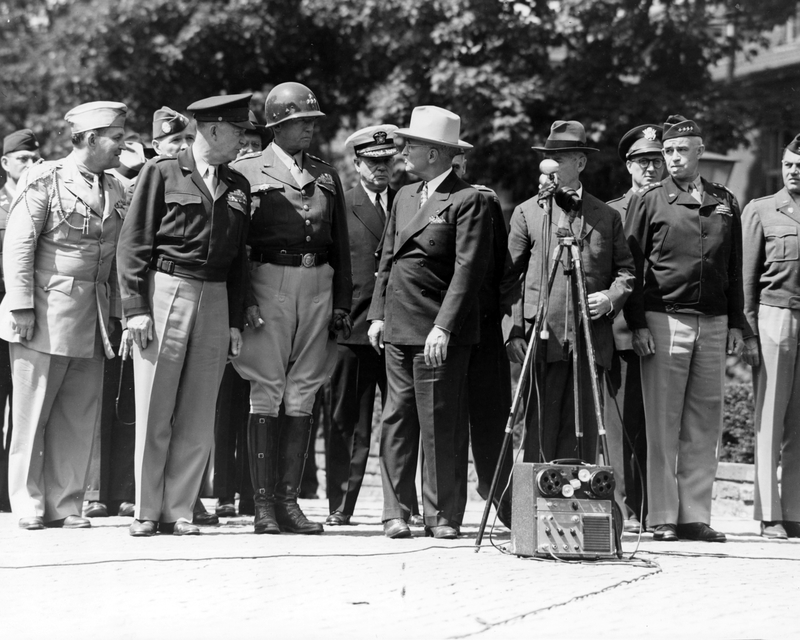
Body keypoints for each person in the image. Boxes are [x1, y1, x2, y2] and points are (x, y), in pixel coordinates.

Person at [118, 94, 253, 537]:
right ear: (213, 130)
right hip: (165, 290)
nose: (242, 142)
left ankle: (179, 509)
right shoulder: (161, 172)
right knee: (155, 404)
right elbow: (133, 244)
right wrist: (135, 309)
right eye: (237, 133)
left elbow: (238, 261)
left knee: (198, 412)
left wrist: (233, 319)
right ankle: (146, 509)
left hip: (215, 296)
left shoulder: (237, 186)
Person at [231, 82, 352, 535]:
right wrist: (243, 300)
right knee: (267, 388)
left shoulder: (325, 174)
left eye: (312, 123)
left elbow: (339, 244)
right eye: (300, 122)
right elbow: (236, 245)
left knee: (303, 391)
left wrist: (342, 302)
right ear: (276, 126)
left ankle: (289, 501)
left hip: (317, 282)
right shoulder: (247, 170)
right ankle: (263, 506)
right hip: (267, 283)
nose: (308, 129)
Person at [1, 102, 128, 530]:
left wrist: (120, 314)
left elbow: (115, 257)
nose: (122, 144)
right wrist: (20, 306)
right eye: (116, 135)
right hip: (44, 313)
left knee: (78, 414)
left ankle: (65, 502)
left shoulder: (115, 187)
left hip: (92, 317)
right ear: (90, 138)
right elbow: (19, 244)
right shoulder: (45, 178)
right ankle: (28, 502)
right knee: (32, 413)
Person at [367, 105, 491, 540]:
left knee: (440, 422)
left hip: (438, 331)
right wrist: (378, 314)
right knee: (397, 419)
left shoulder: (467, 199)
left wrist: (444, 327)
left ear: (436, 153)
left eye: (412, 145)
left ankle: (442, 516)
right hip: (399, 325)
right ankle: (396, 512)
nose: (402, 152)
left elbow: (467, 270)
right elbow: (387, 258)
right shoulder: (404, 196)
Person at [624, 114, 745, 543]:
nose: (672, 159)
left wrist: (736, 322)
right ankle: (662, 516)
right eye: (667, 152)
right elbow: (631, 267)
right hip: (663, 319)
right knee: (663, 422)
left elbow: (732, 268)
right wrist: (636, 323)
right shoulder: (651, 199)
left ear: (699, 152)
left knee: (703, 422)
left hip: (712, 323)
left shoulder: (724, 199)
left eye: (680, 151)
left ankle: (694, 514)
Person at [501, 120, 634, 467]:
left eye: (561, 158)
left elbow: (627, 272)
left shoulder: (606, 215)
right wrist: (513, 331)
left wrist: (610, 298)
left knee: (583, 438)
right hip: (542, 339)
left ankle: (576, 515)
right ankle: (535, 515)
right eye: (549, 157)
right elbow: (507, 278)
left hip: (590, 342)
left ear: (581, 163)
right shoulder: (529, 212)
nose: (552, 165)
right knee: (540, 431)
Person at [325, 124, 398, 526]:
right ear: (357, 164)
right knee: (346, 421)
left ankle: (401, 504)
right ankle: (341, 502)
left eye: (387, 161)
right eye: (373, 162)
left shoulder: (407, 202)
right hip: (351, 329)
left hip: (395, 329)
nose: (381, 168)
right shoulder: (342, 203)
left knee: (400, 420)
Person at [605, 124, 664, 533]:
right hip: (625, 332)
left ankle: (651, 509)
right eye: (642, 161)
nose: (650, 168)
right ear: (628, 165)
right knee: (623, 424)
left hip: (667, 326)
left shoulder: (673, 206)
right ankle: (623, 509)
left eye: (656, 160)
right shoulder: (612, 212)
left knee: (655, 424)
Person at [741, 133, 800, 540]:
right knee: (770, 418)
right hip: (774, 317)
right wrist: (747, 333)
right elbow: (746, 278)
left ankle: (795, 509)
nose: (795, 172)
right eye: (789, 165)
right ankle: (769, 513)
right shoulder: (762, 210)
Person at [451, 151, 513, 527]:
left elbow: (501, 268)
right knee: (446, 423)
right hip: (440, 328)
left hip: (483, 326)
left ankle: (501, 500)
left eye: (458, 168)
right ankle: (446, 509)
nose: (454, 176)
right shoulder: (416, 200)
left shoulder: (484, 200)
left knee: (491, 420)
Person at [0, 129, 40, 512]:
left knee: (25, 404)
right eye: (22, 159)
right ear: (6, 163)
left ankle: (13, 493)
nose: (29, 165)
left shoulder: (41, 196)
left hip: (25, 314)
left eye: (34, 159)